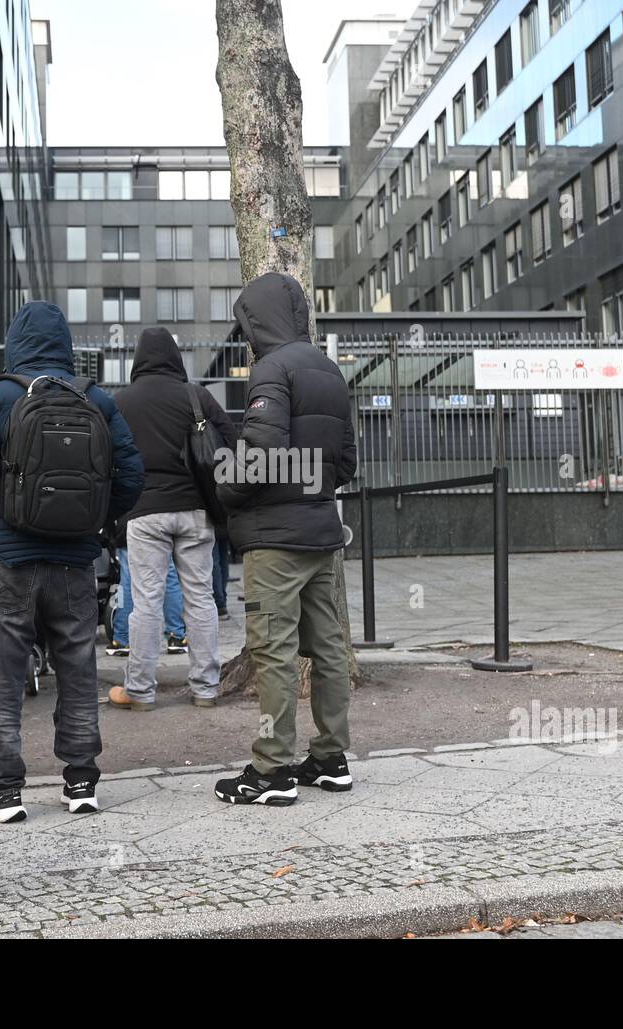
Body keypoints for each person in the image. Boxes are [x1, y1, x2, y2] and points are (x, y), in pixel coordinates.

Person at [0, 301, 143, 823]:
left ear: (16, 343)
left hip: (10, 558)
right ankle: (81, 781)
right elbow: (131, 476)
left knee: (5, 672)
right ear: (65, 346)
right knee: (78, 667)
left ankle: (3, 789)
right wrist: (96, 523)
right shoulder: (98, 401)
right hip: (74, 563)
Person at [212, 272, 357, 807]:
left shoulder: (270, 369)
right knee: (329, 649)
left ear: (255, 319)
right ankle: (331, 757)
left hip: (275, 540)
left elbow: (260, 454)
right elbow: (345, 462)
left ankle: (272, 770)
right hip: (321, 532)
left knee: (273, 650)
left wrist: (224, 487)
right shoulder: (328, 370)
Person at [108, 327, 236, 711]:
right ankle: (206, 688)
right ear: (176, 358)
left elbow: (108, 458)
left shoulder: (122, 402)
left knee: (146, 601)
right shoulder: (197, 396)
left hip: (145, 513)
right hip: (196, 511)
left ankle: (140, 690)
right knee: (201, 598)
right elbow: (229, 441)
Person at [107, 544, 188, 657]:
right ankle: (176, 636)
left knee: (126, 578)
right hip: (162, 530)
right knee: (169, 575)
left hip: (129, 532)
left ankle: (121, 639)